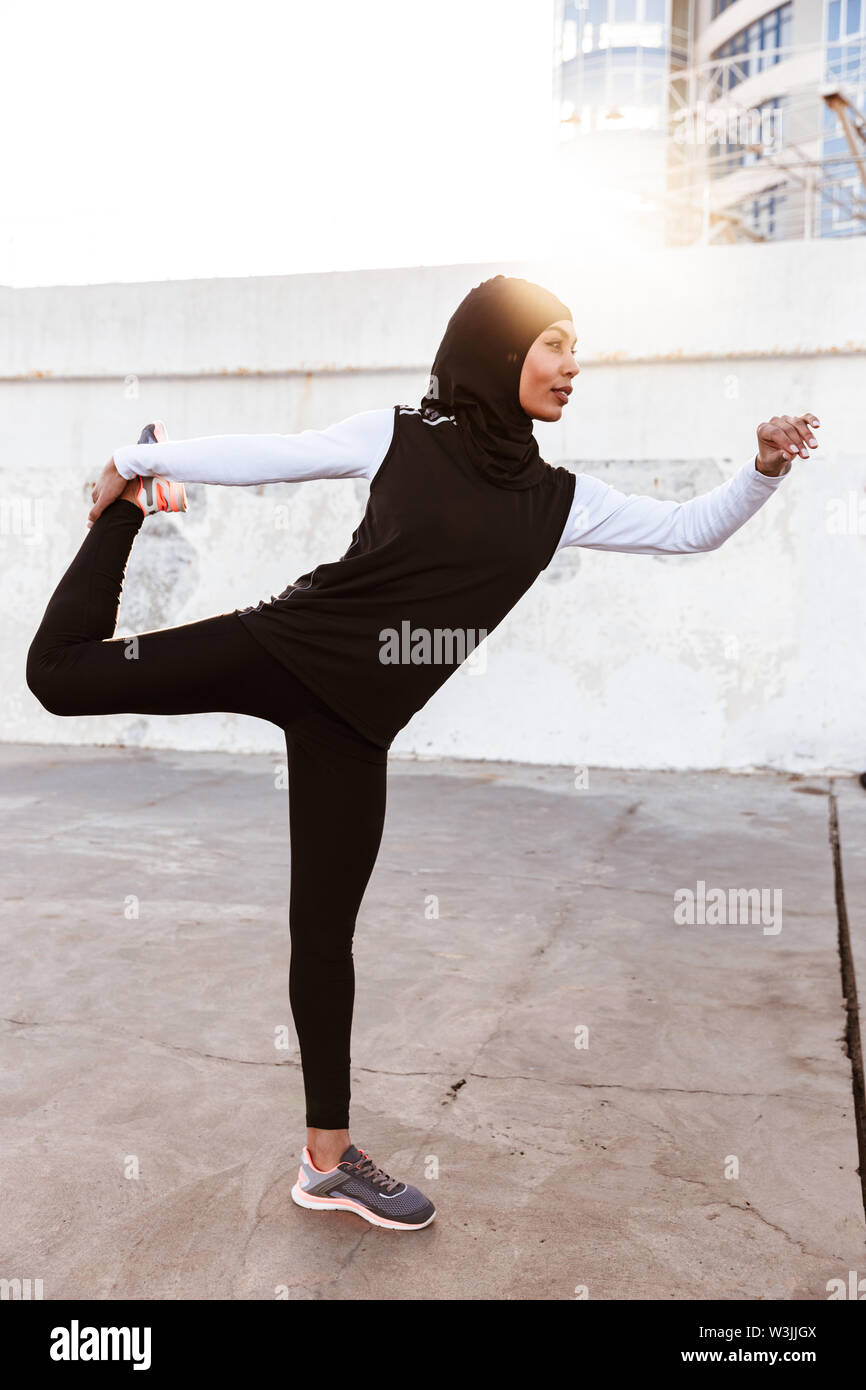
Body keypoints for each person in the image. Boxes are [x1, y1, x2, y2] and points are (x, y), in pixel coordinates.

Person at [25, 274, 819, 1232]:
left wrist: (764, 469)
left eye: (579, 347)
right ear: (500, 349)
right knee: (61, 678)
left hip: (354, 731)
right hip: (285, 648)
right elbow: (275, 457)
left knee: (325, 936)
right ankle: (125, 511)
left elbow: (688, 532)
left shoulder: (558, 500)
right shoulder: (401, 433)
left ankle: (326, 1164)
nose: (575, 365)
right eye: (556, 344)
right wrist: (127, 462)